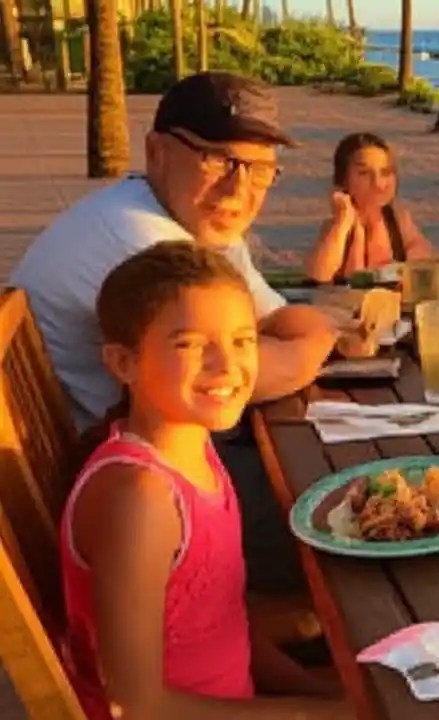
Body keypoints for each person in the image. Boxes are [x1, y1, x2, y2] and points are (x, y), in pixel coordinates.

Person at [12, 71, 335, 594]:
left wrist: (304, 338)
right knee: (346, 519)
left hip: (171, 443)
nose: (239, 187)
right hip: (137, 499)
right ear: (156, 152)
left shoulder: (192, 222)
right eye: (217, 159)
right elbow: (251, 374)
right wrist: (319, 340)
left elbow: (274, 321)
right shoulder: (140, 240)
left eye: (259, 169)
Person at [61, 242, 351, 720]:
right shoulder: (139, 499)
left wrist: (323, 698)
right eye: (190, 344)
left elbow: (222, 623)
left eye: (242, 340)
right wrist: (320, 714)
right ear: (123, 363)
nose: (226, 365)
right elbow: (135, 707)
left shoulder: (196, 450)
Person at [305, 132, 435, 282]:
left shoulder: (398, 221)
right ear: (344, 180)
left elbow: (424, 265)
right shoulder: (339, 226)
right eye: (364, 173)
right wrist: (342, 221)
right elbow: (318, 275)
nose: (378, 184)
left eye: (386, 172)